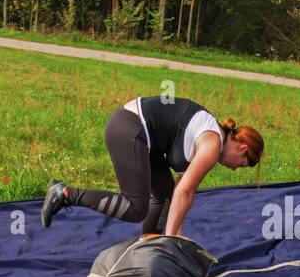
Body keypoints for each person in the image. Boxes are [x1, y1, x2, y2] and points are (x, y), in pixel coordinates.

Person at [41, 97, 264, 237]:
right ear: (242, 148)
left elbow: (180, 193)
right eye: (242, 164)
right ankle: (65, 193)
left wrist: (175, 234)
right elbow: (186, 191)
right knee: (135, 208)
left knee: (165, 196)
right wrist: (173, 238)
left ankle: (149, 247)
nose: (235, 169)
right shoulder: (213, 143)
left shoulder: (211, 135)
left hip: (144, 137)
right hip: (129, 128)